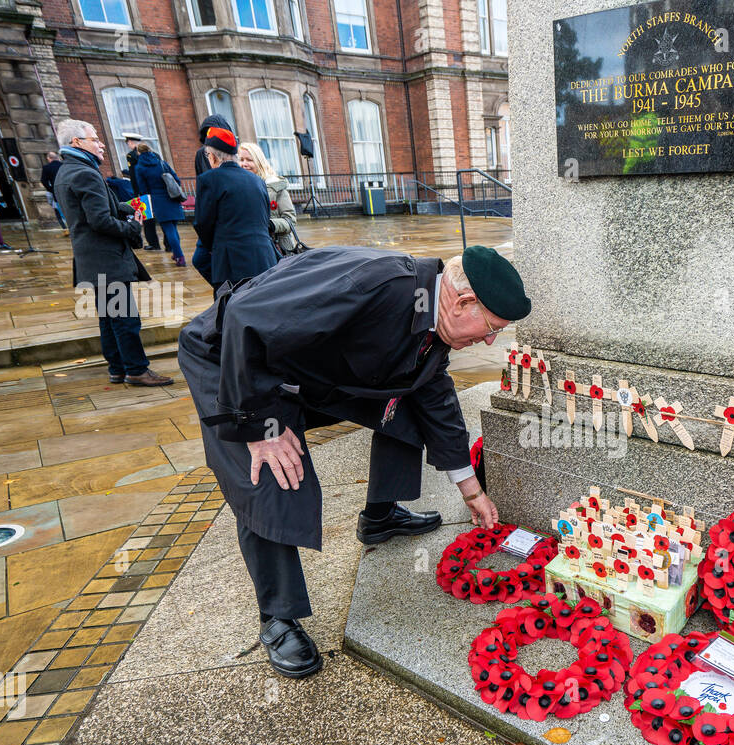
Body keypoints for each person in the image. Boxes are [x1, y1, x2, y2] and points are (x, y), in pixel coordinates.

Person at [177, 245, 527, 678]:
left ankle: (380, 516)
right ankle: (278, 617)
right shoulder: (370, 285)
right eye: (491, 328)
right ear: (463, 301)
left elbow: (433, 393)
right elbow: (245, 317)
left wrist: (469, 487)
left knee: (407, 405)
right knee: (272, 473)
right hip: (235, 366)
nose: (490, 341)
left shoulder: (432, 311)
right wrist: (259, 426)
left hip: (307, 376)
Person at [54, 118, 174, 388]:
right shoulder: (85, 172)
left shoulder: (68, 170)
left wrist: (126, 207)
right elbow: (99, 221)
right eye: (95, 139)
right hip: (107, 259)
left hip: (91, 259)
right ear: (77, 142)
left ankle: (117, 369)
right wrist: (132, 226)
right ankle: (136, 370)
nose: (102, 144)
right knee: (125, 320)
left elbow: (96, 209)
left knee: (109, 319)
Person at [193, 126, 278, 289]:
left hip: (231, 265)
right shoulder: (257, 180)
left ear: (212, 156)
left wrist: (216, 248)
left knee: (231, 310)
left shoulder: (208, 179)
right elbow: (264, 218)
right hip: (264, 259)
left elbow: (202, 224)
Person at [191, 113, 232, 285]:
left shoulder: (231, 153)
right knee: (200, 259)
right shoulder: (202, 154)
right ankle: (223, 286)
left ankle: (225, 288)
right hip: (213, 216)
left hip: (226, 216)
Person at [237, 141, 298, 254]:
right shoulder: (236, 187)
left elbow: (290, 220)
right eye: (241, 160)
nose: (244, 164)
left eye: (249, 160)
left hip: (278, 249)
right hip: (250, 249)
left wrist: (271, 225)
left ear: (259, 162)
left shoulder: (275, 186)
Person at [132, 143, 187, 266]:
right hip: (172, 197)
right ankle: (176, 253)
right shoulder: (161, 162)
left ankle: (180, 257)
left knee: (168, 229)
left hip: (158, 201)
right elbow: (176, 180)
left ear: (139, 153)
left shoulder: (140, 167)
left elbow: (143, 189)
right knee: (173, 228)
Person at [123, 133, 164, 252]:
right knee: (163, 218)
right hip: (158, 190)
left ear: (131, 142)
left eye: (128, 143)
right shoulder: (155, 154)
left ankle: (153, 243)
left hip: (144, 191)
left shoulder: (131, 155)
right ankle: (168, 244)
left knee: (148, 219)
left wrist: (136, 194)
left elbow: (134, 177)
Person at [40, 150, 68, 233]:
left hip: (57, 193)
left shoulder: (46, 167)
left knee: (59, 212)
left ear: (49, 158)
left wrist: (51, 189)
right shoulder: (64, 165)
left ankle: (65, 229)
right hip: (68, 191)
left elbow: (43, 181)